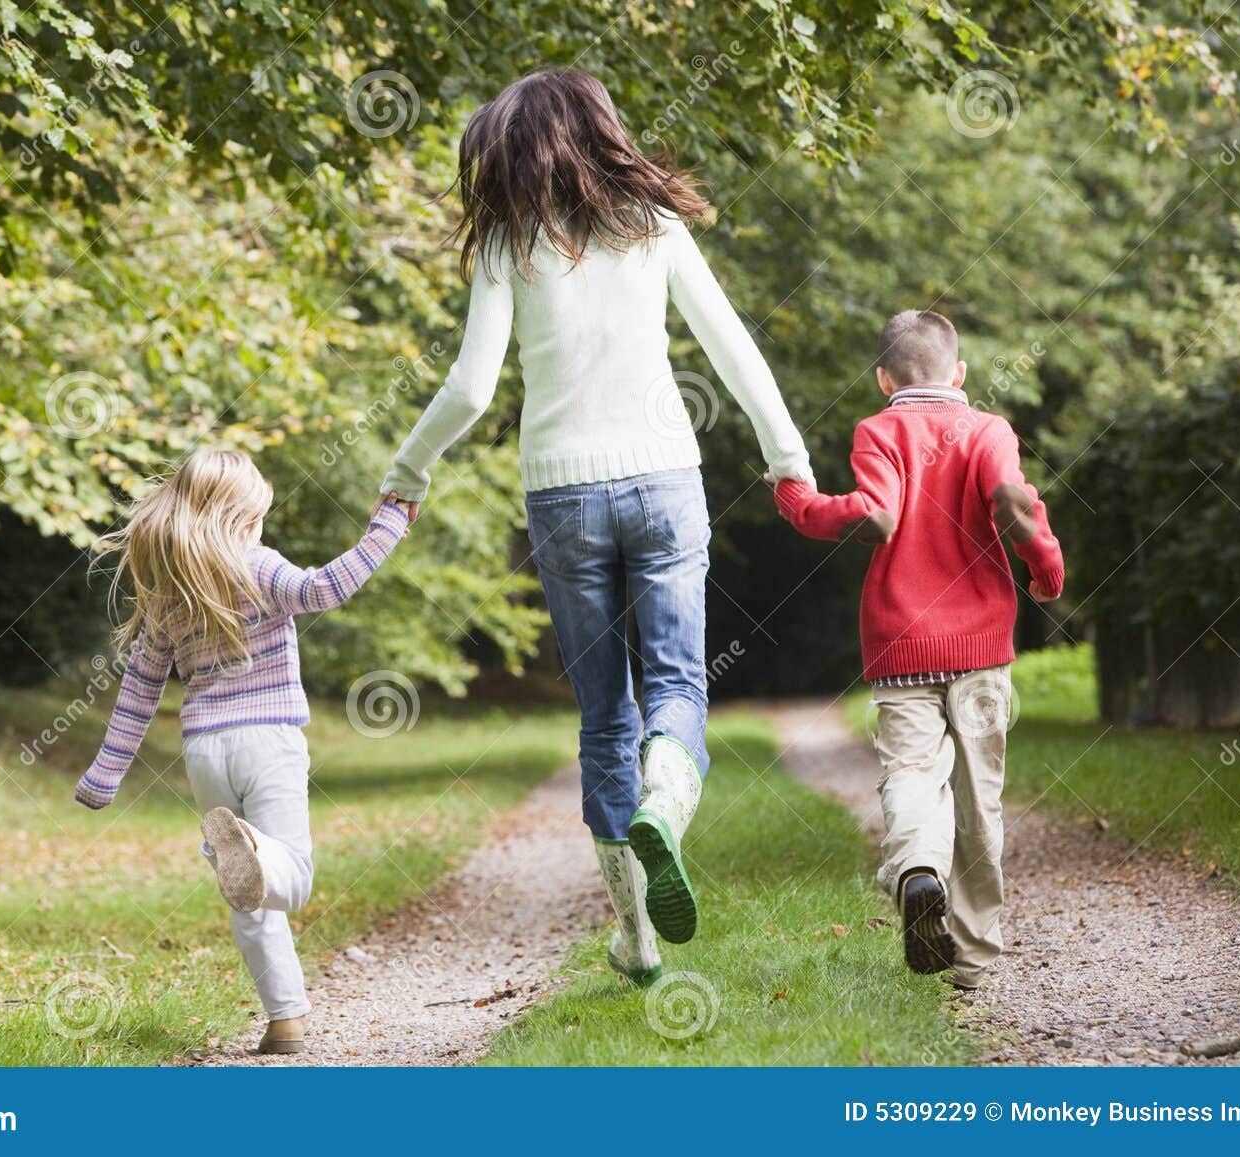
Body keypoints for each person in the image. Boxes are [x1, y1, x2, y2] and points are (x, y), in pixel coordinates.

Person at [379, 68, 814, 981]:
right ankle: (667, 795)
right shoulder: (654, 225)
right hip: (664, 482)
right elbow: (735, 346)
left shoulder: (508, 240)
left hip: (562, 497)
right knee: (677, 687)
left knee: (600, 715)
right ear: (600, 127)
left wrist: (406, 471)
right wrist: (789, 462)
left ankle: (636, 935)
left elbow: (470, 388)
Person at [74, 448, 409, 1051]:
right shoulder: (259, 565)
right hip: (269, 740)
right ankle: (253, 847)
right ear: (238, 518)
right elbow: (325, 587)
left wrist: (107, 770)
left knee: (247, 895)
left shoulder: (167, 591)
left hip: (205, 750)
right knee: (292, 877)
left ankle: (285, 1021)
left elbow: (140, 685)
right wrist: (389, 525)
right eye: (257, 514)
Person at [773, 309, 1064, 990]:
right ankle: (974, 952)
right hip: (982, 641)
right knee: (978, 794)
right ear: (959, 373)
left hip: (903, 640)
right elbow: (1012, 500)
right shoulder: (988, 429)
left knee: (909, 773)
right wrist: (1044, 565)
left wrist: (801, 503)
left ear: (884, 378)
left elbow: (877, 513)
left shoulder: (878, 429)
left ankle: (917, 872)